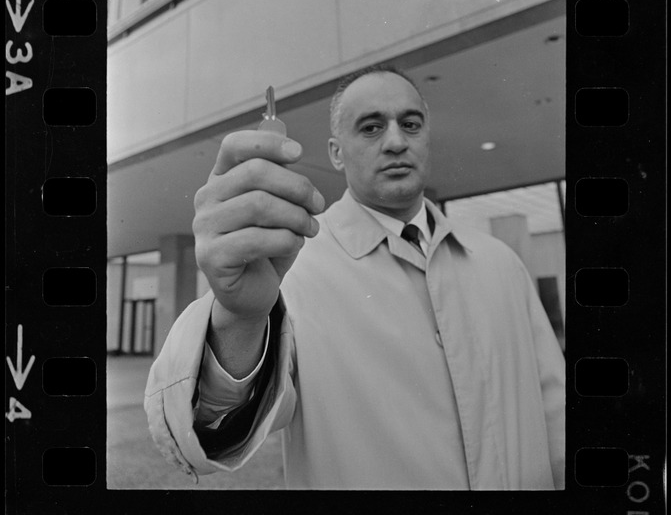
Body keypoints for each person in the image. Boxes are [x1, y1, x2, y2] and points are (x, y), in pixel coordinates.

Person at [145, 64, 565, 490]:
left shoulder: (502, 263)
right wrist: (241, 319)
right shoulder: (290, 269)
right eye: (371, 127)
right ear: (335, 152)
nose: (397, 141)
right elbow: (213, 422)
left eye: (411, 124)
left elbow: (557, 416)